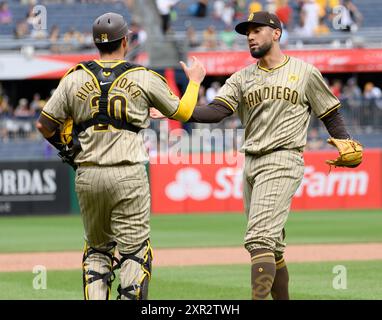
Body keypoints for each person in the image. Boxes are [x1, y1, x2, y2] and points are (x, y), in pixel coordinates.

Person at [153, 11, 362, 300]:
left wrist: (345, 141)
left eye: (257, 30)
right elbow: (215, 112)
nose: (250, 36)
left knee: (258, 238)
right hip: (251, 163)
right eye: (247, 31)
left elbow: (330, 112)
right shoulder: (241, 78)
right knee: (272, 246)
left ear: (276, 33)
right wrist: (172, 108)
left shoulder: (304, 72)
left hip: (283, 158)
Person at [36, 12, 206, 300]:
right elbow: (184, 112)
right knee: (135, 254)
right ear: (125, 41)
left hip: (88, 173)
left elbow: (44, 124)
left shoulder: (74, 77)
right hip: (128, 173)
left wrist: (67, 150)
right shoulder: (143, 76)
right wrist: (194, 81)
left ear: (95, 42)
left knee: (97, 251)